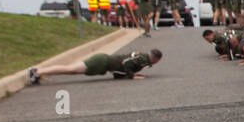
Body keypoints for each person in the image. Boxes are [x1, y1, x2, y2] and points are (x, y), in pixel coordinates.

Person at [29, 49, 162, 83]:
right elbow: (126, 63)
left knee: (71, 70)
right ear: (155, 59)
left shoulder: (143, 58)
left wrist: (130, 74)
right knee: (71, 69)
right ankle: (37, 72)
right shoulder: (143, 59)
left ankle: (39, 72)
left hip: (103, 62)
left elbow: (123, 67)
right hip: (101, 61)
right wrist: (132, 76)